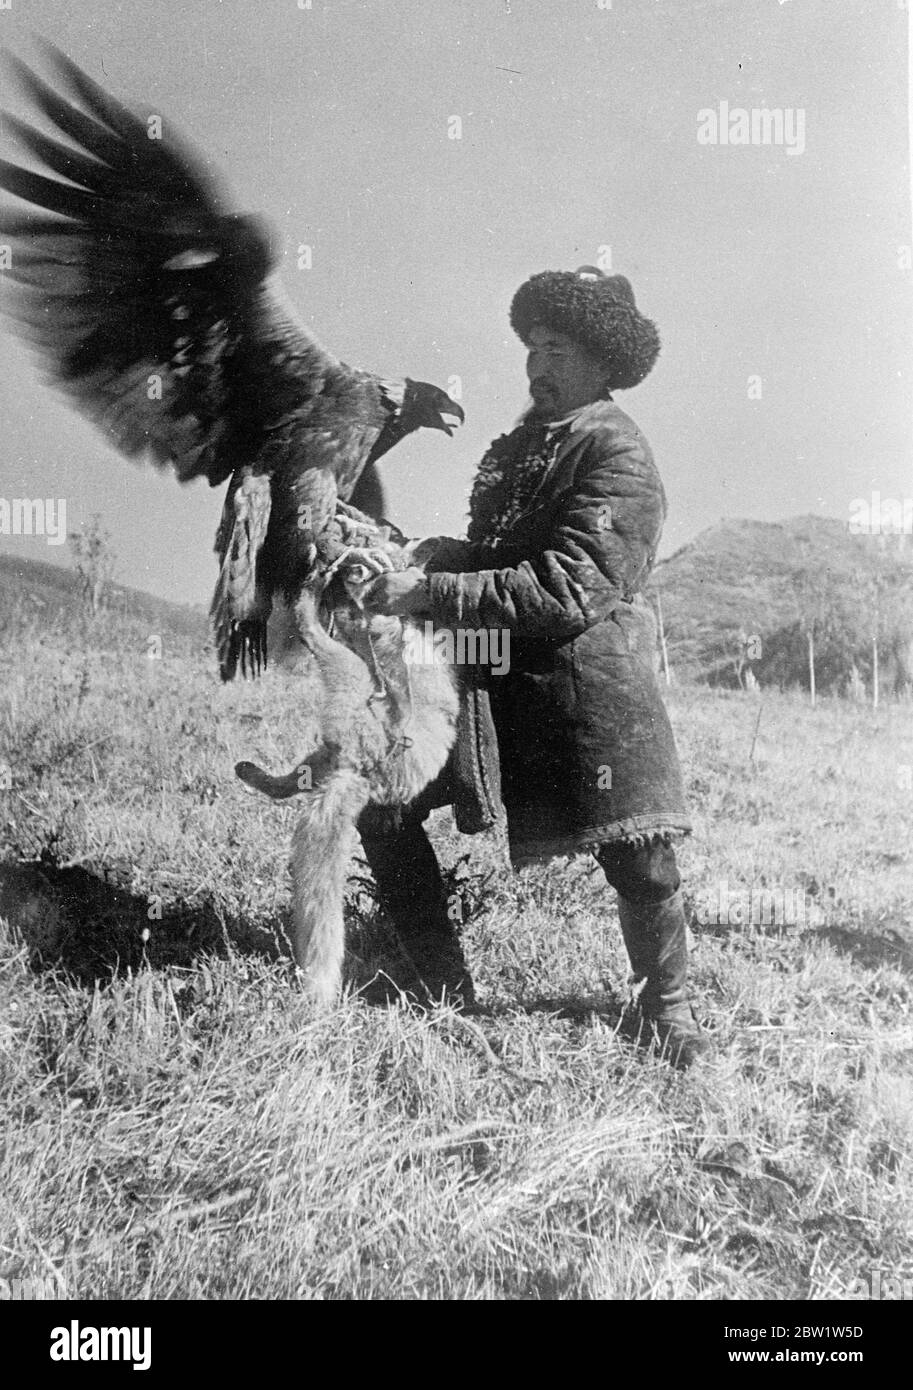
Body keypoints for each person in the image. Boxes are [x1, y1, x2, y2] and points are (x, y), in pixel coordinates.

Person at [362, 266, 710, 1068]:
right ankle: (439, 987)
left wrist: (433, 589)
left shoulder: (615, 449)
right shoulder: (524, 447)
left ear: (600, 360)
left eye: (556, 350)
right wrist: (447, 555)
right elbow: (507, 556)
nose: (535, 366)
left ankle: (668, 1009)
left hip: (586, 679)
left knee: (640, 855)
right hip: (489, 674)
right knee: (383, 797)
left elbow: (568, 586)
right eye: (531, 348)